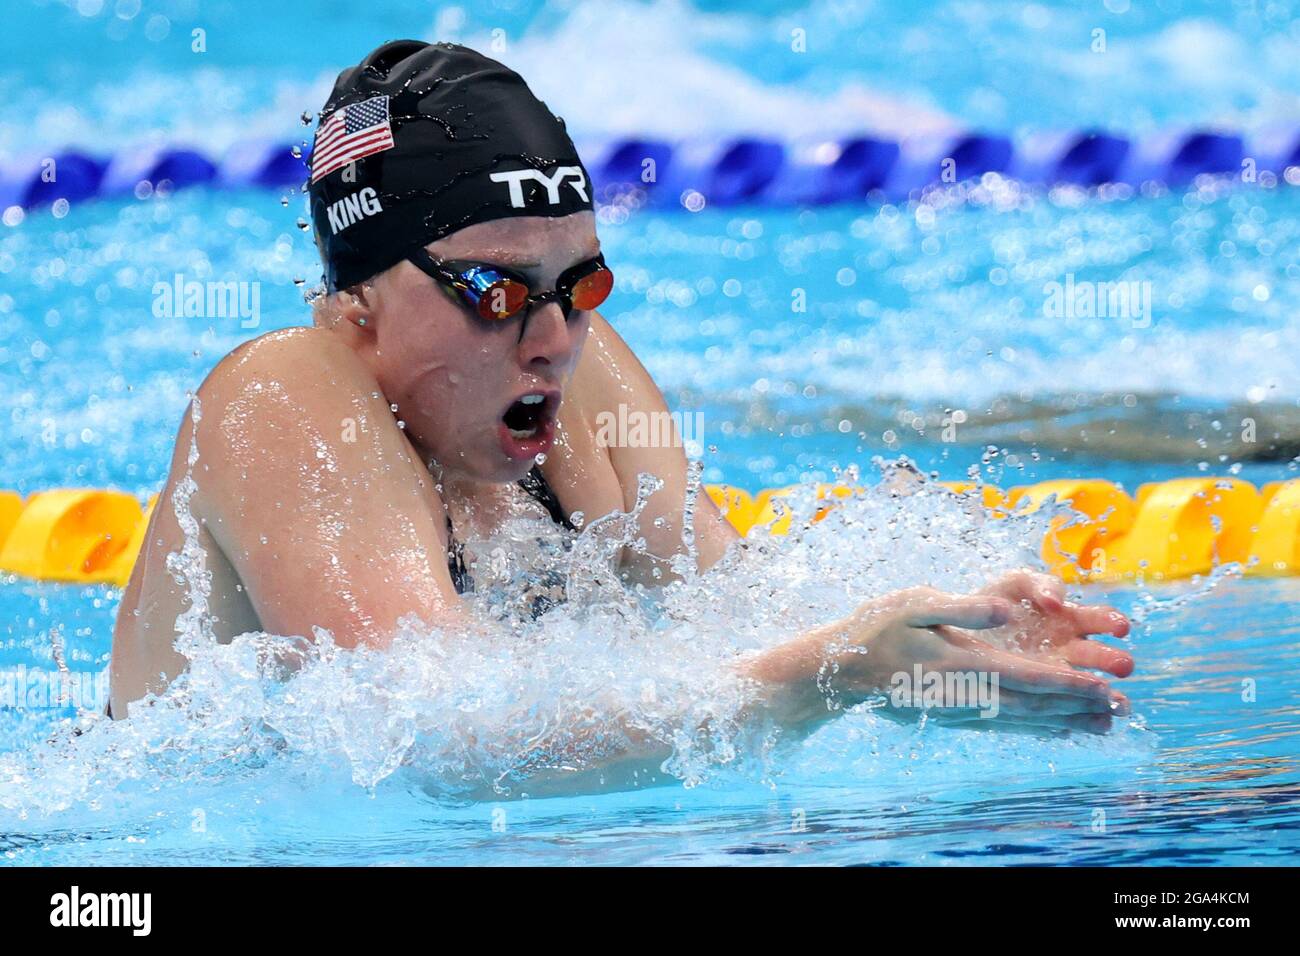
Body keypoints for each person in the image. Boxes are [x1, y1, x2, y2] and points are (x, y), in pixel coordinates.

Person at [108, 41, 1133, 760]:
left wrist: (947, 652)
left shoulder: (581, 390)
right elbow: (438, 742)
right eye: (493, 289)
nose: (552, 337)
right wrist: (821, 677)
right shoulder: (279, 396)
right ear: (361, 301)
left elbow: (737, 611)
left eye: (579, 283)